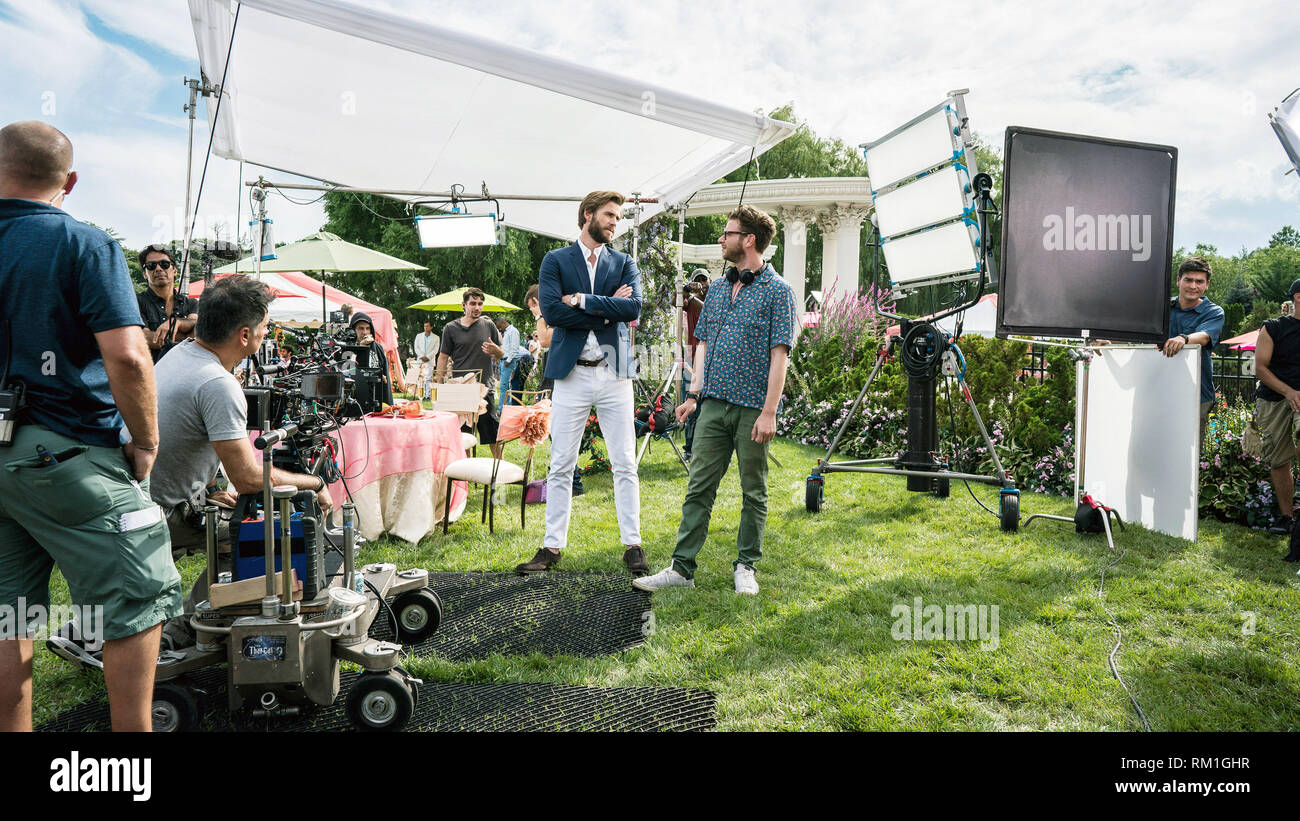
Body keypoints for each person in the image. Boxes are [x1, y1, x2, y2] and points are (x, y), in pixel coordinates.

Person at [0, 120, 182, 732]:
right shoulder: (84, 243)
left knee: (10, 613)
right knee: (139, 595)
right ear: (69, 182)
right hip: (65, 450)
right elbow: (129, 357)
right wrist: (148, 441)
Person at [150, 275, 334, 642]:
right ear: (245, 335)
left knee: (247, 524)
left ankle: (176, 622)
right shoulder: (217, 384)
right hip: (162, 516)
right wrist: (316, 483)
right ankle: (181, 630)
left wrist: (214, 488)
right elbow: (251, 478)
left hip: (147, 501)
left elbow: (198, 445)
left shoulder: (181, 355)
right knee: (264, 538)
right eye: (266, 327)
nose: (268, 333)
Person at [634, 206, 796, 595]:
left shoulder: (780, 292)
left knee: (753, 490)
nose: (721, 239)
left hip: (753, 410)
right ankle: (681, 570)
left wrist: (769, 412)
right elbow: (703, 346)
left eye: (728, 233)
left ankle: (746, 567)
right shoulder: (720, 289)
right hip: (711, 407)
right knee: (698, 488)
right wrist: (692, 395)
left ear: (749, 240)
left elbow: (780, 356)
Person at [514, 191, 645, 575]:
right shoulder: (555, 261)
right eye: (609, 215)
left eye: (618, 217)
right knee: (560, 464)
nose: (614, 222)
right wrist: (607, 307)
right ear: (587, 215)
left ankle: (632, 544)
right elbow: (553, 312)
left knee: (625, 462)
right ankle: (552, 547)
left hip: (615, 373)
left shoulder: (624, 262)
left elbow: (633, 307)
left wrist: (584, 301)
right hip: (571, 374)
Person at [1253, 278, 1300, 548]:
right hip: (1273, 397)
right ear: (1297, 297)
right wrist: (1288, 391)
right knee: (1279, 459)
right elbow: (1260, 368)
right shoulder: (1273, 328)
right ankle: (1287, 518)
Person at [1161, 257, 1224, 451]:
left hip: (1196, 396)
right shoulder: (1161, 307)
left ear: (1207, 285)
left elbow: (1205, 337)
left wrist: (1184, 339)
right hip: (1158, 390)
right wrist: (1111, 341)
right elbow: (1140, 333)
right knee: (1154, 450)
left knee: (1187, 455)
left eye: (1199, 281)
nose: (1193, 286)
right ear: (1178, 280)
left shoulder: (1214, 312)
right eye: (1188, 280)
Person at [435, 288, 505, 459]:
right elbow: (443, 357)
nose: (477, 307)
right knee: (463, 435)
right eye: (473, 303)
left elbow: (502, 353)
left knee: (491, 432)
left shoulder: (488, 325)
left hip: (484, 388)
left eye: (480, 304)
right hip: (460, 389)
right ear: (463, 305)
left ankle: (499, 469)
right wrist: (438, 383)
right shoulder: (450, 328)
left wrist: (496, 350)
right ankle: (463, 477)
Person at [136, 243, 199, 363]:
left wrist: (178, 322)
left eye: (164, 264)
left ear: (174, 270)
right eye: (151, 266)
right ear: (145, 274)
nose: (158, 269)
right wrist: (187, 337)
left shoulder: (191, 303)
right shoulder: (136, 302)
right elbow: (142, 338)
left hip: (185, 374)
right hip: (153, 376)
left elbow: (197, 327)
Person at [680, 274, 710, 460]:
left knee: (711, 408)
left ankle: (709, 450)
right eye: (697, 280)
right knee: (691, 408)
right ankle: (689, 450)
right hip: (692, 359)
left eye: (704, 280)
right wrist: (686, 287)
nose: (701, 284)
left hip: (712, 359)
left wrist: (693, 296)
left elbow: (708, 309)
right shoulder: (689, 302)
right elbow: (675, 295)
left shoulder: (715, 299)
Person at [349, 312, 405, 406]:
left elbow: (384, 373)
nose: (365, 332)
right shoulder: (347, 348)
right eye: (360, 328)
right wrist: (359, 347)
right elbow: (348, 371)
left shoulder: (377, 348)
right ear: (353, 330)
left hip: (375, 397)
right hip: (355, 399)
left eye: (368, 328)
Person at [495, 314, 521, 413]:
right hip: (503, 360)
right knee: (506, 386)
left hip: (508, 362)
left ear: (503, 322)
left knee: (503, 386)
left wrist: (508, 361)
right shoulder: (506, 332)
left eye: (500, 327)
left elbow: (515, 349)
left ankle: (501, 409)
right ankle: (507, 406)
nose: (500, 329)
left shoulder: (513, 331)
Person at [412, 319, 439, 401]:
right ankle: (420, 395)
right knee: (420, 378)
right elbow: (416, 347)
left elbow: (436, 349)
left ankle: (428, 395)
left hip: (430, 360)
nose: (425, 328)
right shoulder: (418, 336)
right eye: (424, 326)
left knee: (429, 378)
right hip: (420, 360)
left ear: (431, 327)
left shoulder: (436, 337)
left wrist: (428, 357)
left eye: (427, 326)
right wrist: (421, 356)